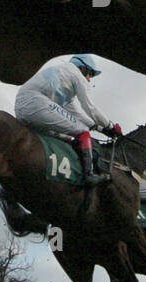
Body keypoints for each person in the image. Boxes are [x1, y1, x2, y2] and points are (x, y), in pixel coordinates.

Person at [15, 55, 120, 185]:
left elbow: (75, 113)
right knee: (83, 131)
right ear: (83, 68)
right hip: (37, 102)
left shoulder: (64, 78)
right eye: (90, 74)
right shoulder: (76, 75)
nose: (88, 80)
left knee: (66, 137)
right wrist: (110, 126)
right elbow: (90, 108)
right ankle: (89, 174)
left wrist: (100, 128)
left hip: (22, 108)